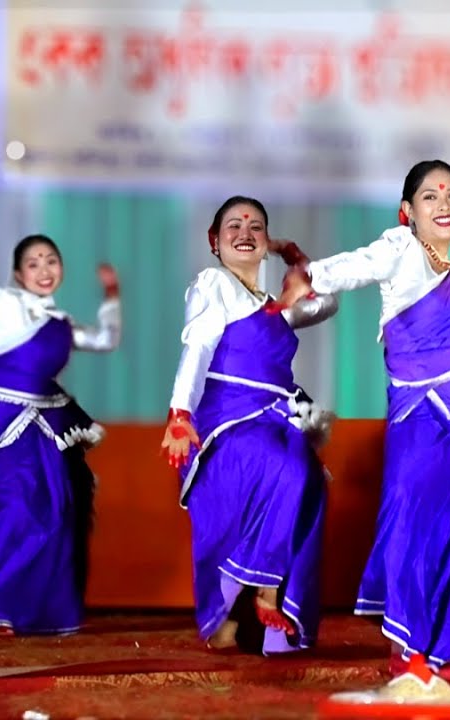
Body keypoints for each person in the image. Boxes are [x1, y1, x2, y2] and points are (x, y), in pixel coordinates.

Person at [281, 160, 450, 697]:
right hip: (420, 411)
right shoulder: (402, 248)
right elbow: (359, 265)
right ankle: (406, 647)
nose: (444, 204)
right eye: (430, 196)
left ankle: (436, 640)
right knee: (411, 514)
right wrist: (311, 276)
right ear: (407, 212)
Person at [161, 196, 337, 655]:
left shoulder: (274, 307)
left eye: (256, 227)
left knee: (309, 476)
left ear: (265, 242)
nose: (244, 232)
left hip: (275, 417)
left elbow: (327, 304)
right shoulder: (213, 283)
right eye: (233, 226)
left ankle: (276, 631)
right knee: (291, 467)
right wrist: (179, 415)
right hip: (228, 416)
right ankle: (262, 593)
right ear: (213, 242)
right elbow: (197, 347)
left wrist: (295, 258)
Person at [0, 234, 120, 635]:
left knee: (57, 513)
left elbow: (105, 339)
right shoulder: (3, 302)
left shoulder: (61, 323)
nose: (44, 270)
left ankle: (33, 610)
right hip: (9, 423)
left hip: (51, 425)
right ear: (18, 273)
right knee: (19, 508)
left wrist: (111, 295)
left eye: (51, 261)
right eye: (33, 263)